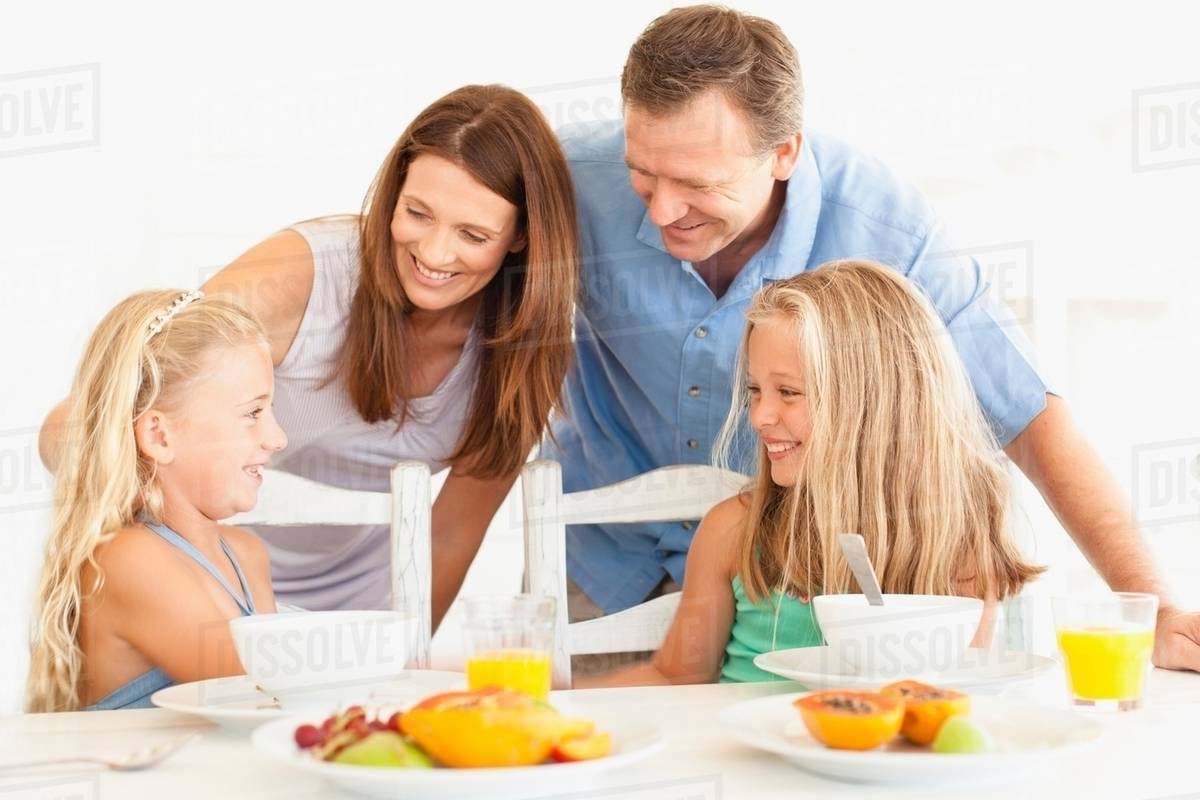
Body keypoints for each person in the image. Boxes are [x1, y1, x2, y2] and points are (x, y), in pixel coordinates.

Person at [547, 4, 1200, 672]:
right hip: (606, 566)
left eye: (695, 185)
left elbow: (1028, 415)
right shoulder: (566, 173)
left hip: (805, 586)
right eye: (643, 175)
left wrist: (1151, 605)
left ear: (784, 153)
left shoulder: (890, 232)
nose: (660, 210)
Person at [40, 85, 580, 623]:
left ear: (520, 237)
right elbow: (75, 432)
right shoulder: (300, 277)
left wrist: (396, 661)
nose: (434, 253)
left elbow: (452, 535)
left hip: (360, 622)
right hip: (209, 592)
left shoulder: (524, 352)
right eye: (417, 213)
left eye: (472, 234)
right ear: (394, 194)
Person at [580, 260, 1045, 686]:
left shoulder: (959, 536)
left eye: (788, 392)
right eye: (755, 391)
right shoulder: (733, 530)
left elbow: (957, 696)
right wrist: (549, 696)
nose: (760, 415)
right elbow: (674, 678)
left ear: (873, 405)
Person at [27, 290, 287, 711]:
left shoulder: (246, 556)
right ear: (159, 437)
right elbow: (266, 701)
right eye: (253, 413)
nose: (278, 438)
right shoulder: (128, 561)